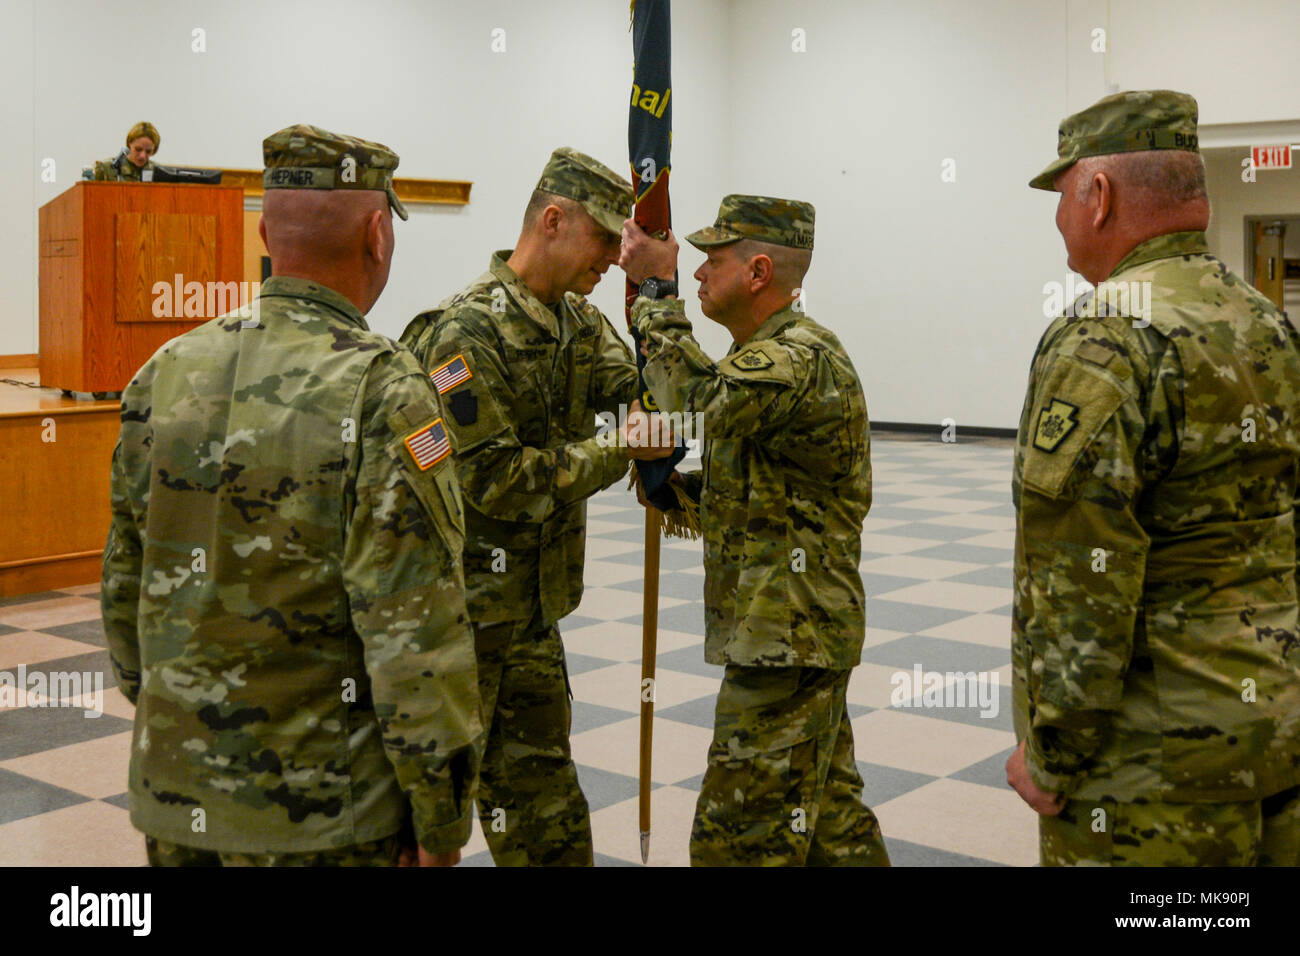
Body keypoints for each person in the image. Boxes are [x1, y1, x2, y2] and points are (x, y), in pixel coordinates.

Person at [101, 123, 483, 867]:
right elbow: (414, 634)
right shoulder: (386, 389)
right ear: (379, 234)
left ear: (268, 233)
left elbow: (124, 597)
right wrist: (440, 822)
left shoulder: (164, 372)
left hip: (178, 805)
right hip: (325, 820)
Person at [1007, 89, 1300, 866]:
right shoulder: (1262, 319)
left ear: (1097, 195)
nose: (1059, 218)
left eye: (1063, 194)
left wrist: (1053, 753)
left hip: (1152, 773)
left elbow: (1078, 578)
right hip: (1275, 729)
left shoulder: (1102, 336)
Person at [399, 147, 672, 866]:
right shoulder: (463, 333)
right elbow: (497, 481)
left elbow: (664, 402)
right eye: (605, 239)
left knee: (546, 819)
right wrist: (622, 449)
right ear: (553, 220)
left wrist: (661, 294)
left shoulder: (579, 326)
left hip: (530, 620)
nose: (615, 259)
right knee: (426, 828)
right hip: (454, 631)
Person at [620, 195, 891, 867]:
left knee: (735, 839)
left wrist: (657, 292)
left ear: (760, 271)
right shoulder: (759, 356)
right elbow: (756, 488)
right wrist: (675, 488)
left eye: (713, 261)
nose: (701, 273)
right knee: (832, 827)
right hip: (790, 635)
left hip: (789, 640)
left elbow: (698, 408)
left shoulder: (795, 359)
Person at [93, 121, 160, 181]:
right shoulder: (106, 169)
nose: (142, 155)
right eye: (138, 149)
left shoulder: (158, 172)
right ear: (129, 144)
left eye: (148, 151)